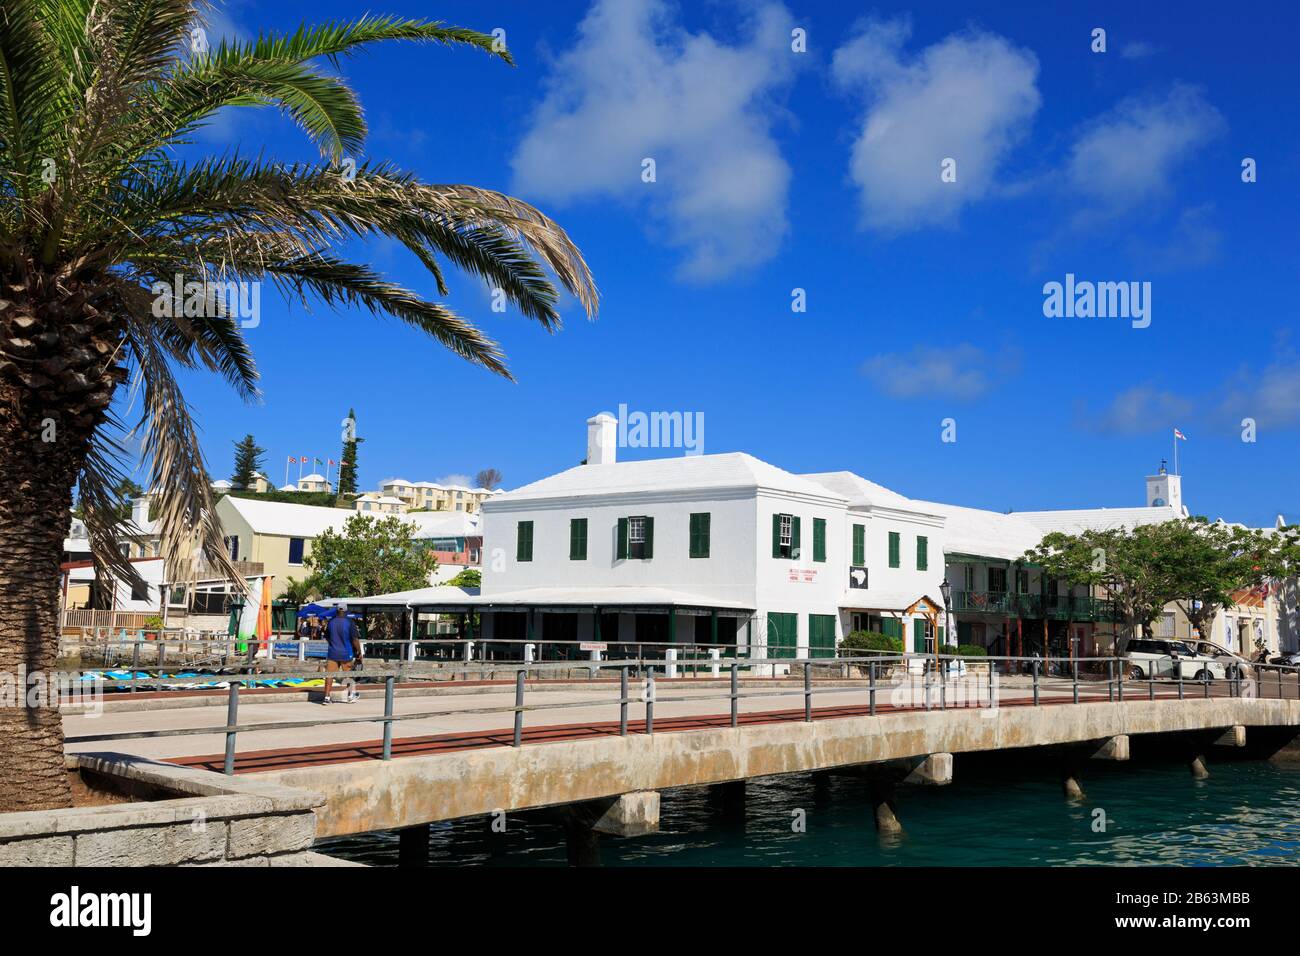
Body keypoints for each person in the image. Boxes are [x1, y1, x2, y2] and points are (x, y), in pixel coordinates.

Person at [322, 605, 362, 704]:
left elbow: (327, 637)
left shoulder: (331, 622)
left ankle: (326, 698)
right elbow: (355, 639)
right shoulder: (349, 622)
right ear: (346, 610)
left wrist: (333, 644)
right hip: (346, 653)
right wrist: (359, 651)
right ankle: (350, 696)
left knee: (329, 675)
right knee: (348, 675)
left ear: (337, 610)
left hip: (332, 653)